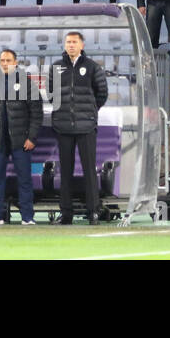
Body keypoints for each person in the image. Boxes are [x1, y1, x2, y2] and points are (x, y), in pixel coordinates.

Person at [48, 31, 109, 224]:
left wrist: (90, 111)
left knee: (89, 170)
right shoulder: (56, 67)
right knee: (65, 171)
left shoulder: (92, 67)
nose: (71, 45)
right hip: (63, 126)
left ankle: (93, 212)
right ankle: (66, 213)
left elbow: (102, 93)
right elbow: (51, 93)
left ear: (82, 45)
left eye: (74, 42)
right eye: (68, 42)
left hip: (86, 126)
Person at [0, 48, 43, 226]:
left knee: (24, 178)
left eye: (8, 60)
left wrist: (31, 137)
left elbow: (36, 112)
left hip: (20, 139)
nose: (5, 63)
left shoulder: (27, 83)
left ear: (15, 63)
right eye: (2, 60)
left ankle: (27, 217)